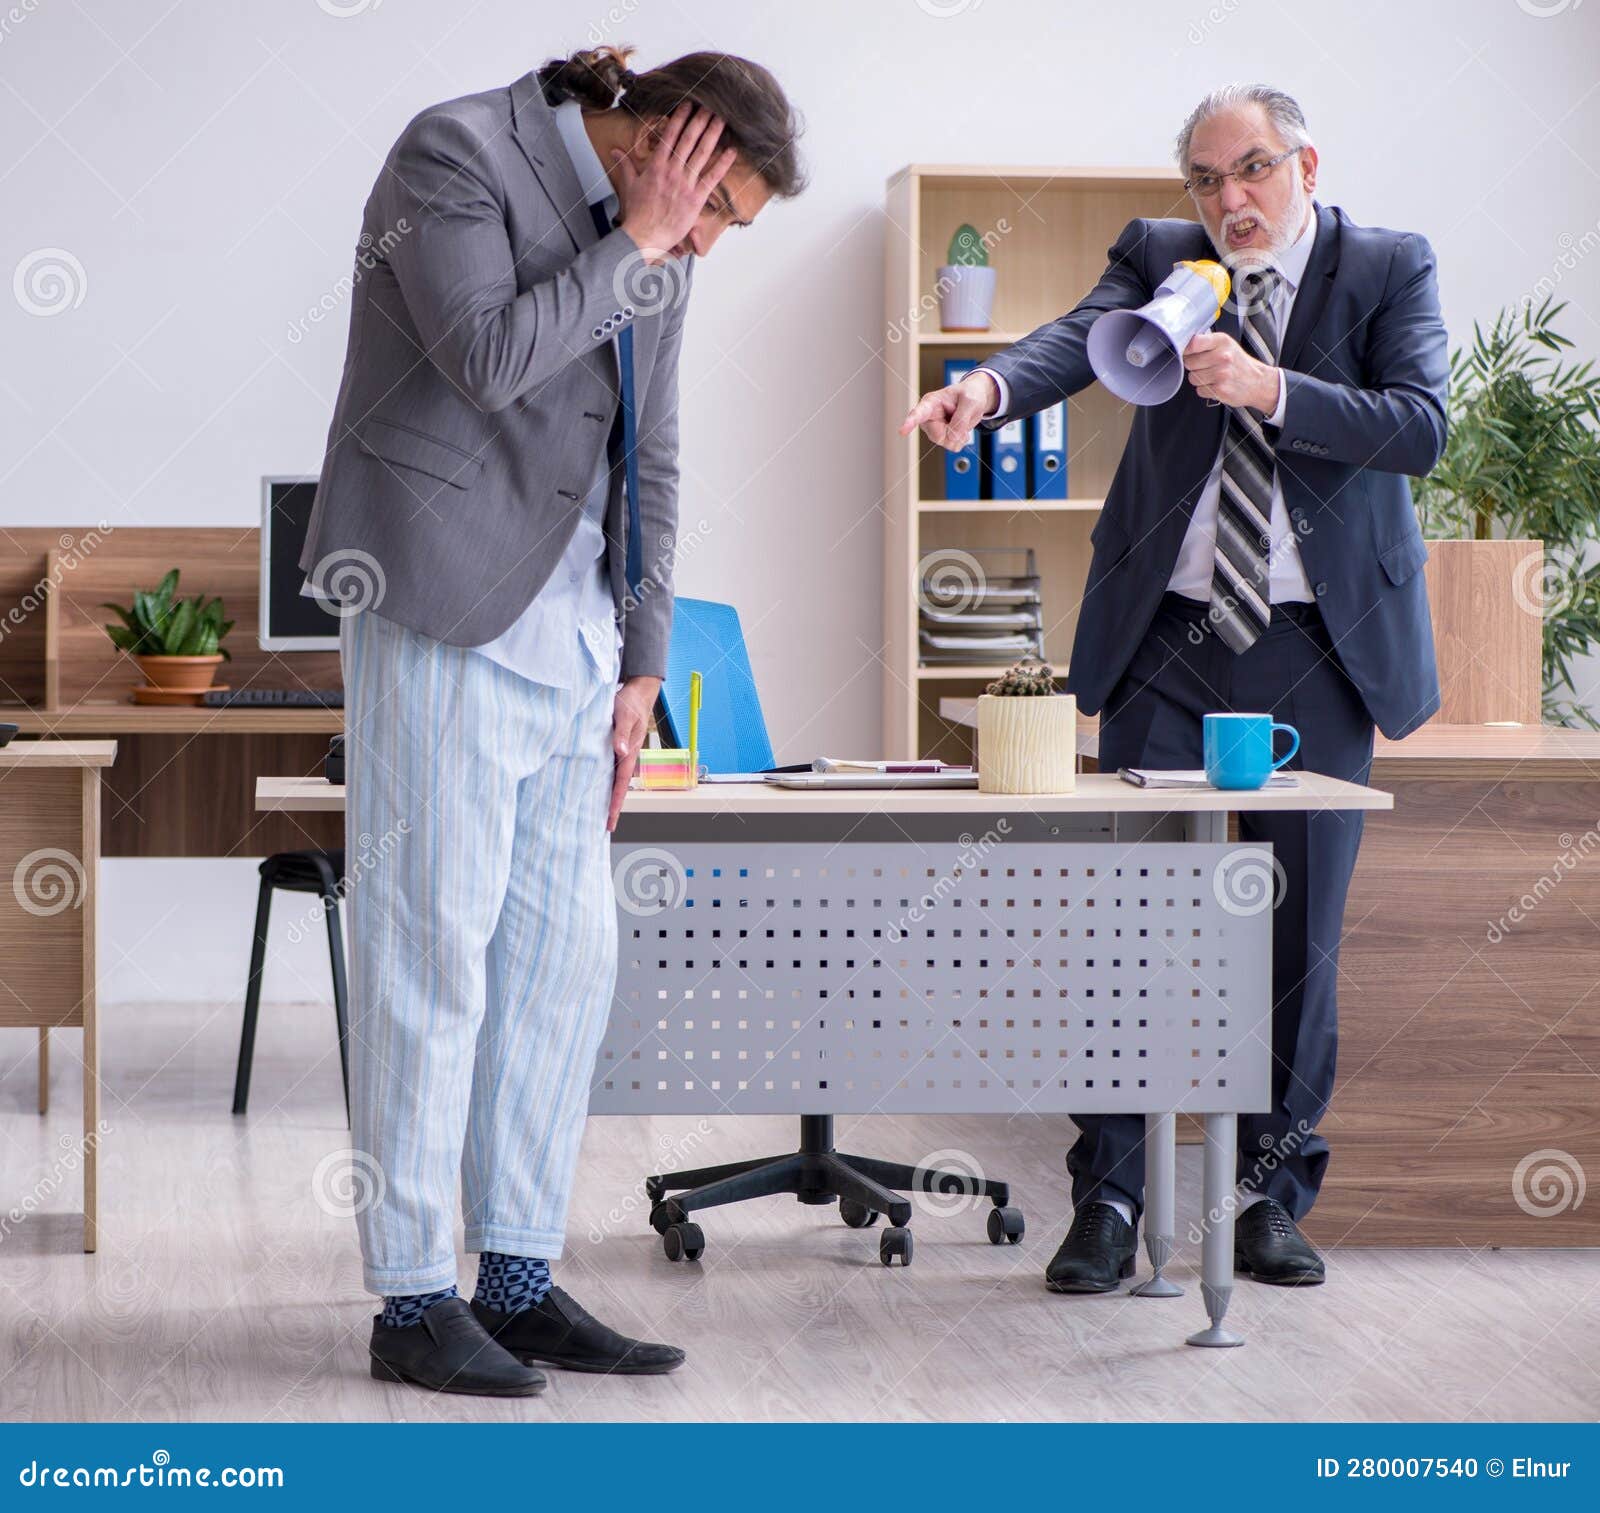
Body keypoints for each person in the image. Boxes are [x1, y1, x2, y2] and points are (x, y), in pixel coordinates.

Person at [299, 45, 804, 1396]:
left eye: (723, 228)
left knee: (561, 970)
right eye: (713, 208)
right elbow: (483, 356)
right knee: (429, 956)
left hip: (581, 639)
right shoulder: (453, 153)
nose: (707, 243)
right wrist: (639, 241)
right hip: (443, 606)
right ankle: (411, 1296)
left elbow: (658, 448)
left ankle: (515, 1277)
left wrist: (645, 661)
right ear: (662, 144)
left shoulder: (667, 240)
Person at [902, 84, 1446, 1294]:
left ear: (1306, 160)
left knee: (1295, 943)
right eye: (1205, 180)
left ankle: (1263, 1202)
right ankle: (1106, 1199)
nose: (1229, 201)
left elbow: (1419, 427)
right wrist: (984, 390)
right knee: (1128, 928)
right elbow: (1070, 339)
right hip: (1169, 641)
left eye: (1250, 171)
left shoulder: (1387, 267)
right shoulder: (1165, 256)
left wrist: (1272, 391)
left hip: (1319, 647)